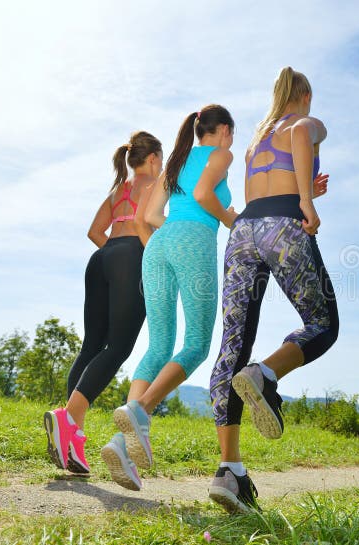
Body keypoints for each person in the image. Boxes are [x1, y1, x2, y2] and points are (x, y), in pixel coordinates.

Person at [208, 67, 339, 513]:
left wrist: (306, 191)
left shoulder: (255, 140)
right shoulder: (302, 120)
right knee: (322, 324)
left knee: (231, 346)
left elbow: (264, 193)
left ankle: (231, 472)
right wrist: (306, 201)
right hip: (283, 227)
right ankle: (265, 375)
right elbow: (304, 132)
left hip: (244, 231)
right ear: (303, 94)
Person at [100, 105, 238, 491]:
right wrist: (228, 219)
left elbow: (148, 216)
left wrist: (178, 225)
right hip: (193, 243)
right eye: (231, 134)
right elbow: (202, 194)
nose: (230, 142)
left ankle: (122, 445)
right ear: (223, 130)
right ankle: (140, 412)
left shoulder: (176, 160)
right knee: (195, 345)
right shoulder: (221, 155)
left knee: (159, 345)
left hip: (158, 245)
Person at [43, 132, 162, 474]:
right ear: (152, 159)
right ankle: (68, 419)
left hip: (101, 259)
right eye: (162, 159)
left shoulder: (118, 189)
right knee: (118, 348)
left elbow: (96, 231)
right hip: (130, 258)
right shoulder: (155, 184)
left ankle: (71, 438)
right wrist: (142, 257)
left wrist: (113, 253)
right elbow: (145, 225)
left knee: (92, 345)